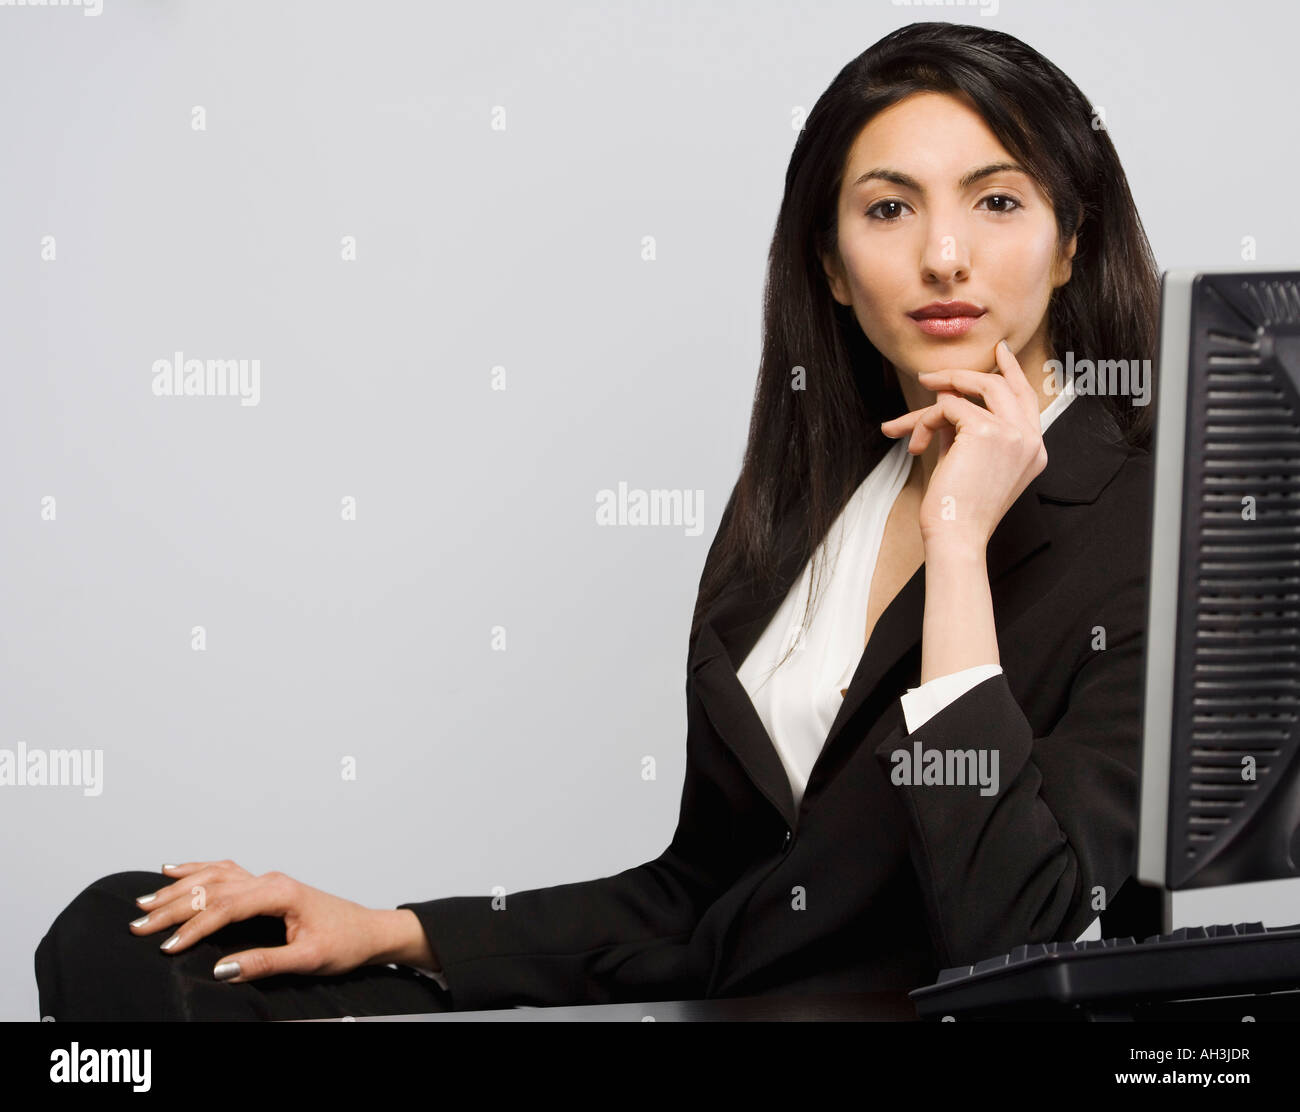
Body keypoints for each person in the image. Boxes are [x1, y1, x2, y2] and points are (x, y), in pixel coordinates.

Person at [35, 21, 1160, 1020]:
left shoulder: (1150, 526)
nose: (943, 255)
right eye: (887, 208)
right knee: (129, 942)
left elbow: (1018, 943)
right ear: (827, 263)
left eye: (997, 199)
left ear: (1070, 240)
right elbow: (706, 891)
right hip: (709, 994)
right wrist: (396, 929)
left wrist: (959, 547)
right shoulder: (815, 497)